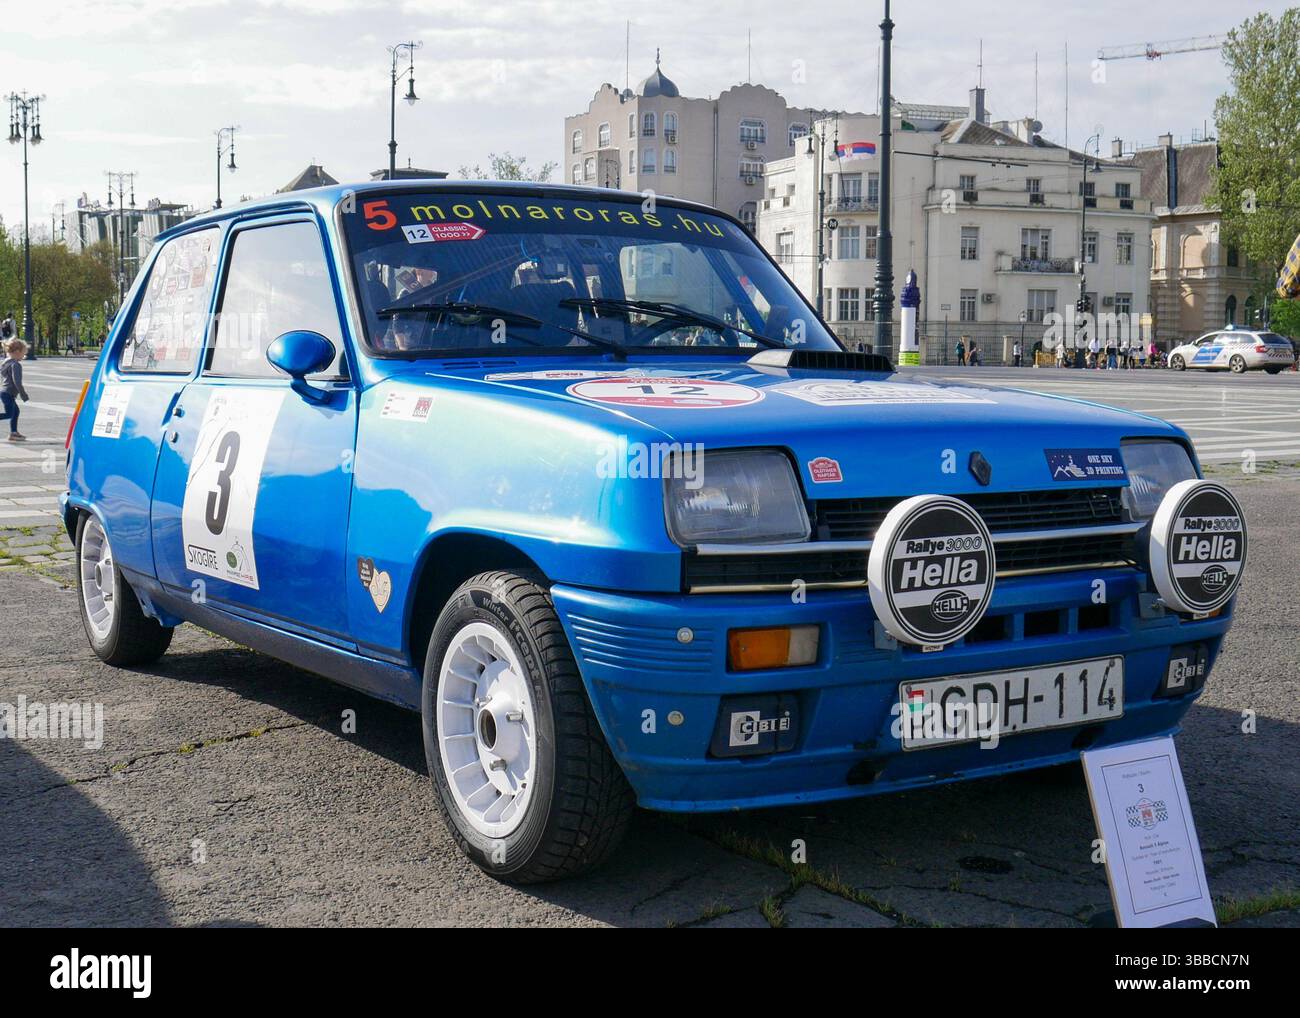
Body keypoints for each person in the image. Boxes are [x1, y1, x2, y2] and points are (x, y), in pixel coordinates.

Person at [0, 338, 31, 441]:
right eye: (23, 353)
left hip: (5, 392)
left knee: (15, 411)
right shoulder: (15, 365)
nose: (24, 356)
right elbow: (17, 382)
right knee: (10, 414)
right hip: (8, 393)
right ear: (17, 352)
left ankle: (13, 433)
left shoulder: (6, 362)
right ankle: (13, 433)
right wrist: (23, 394)